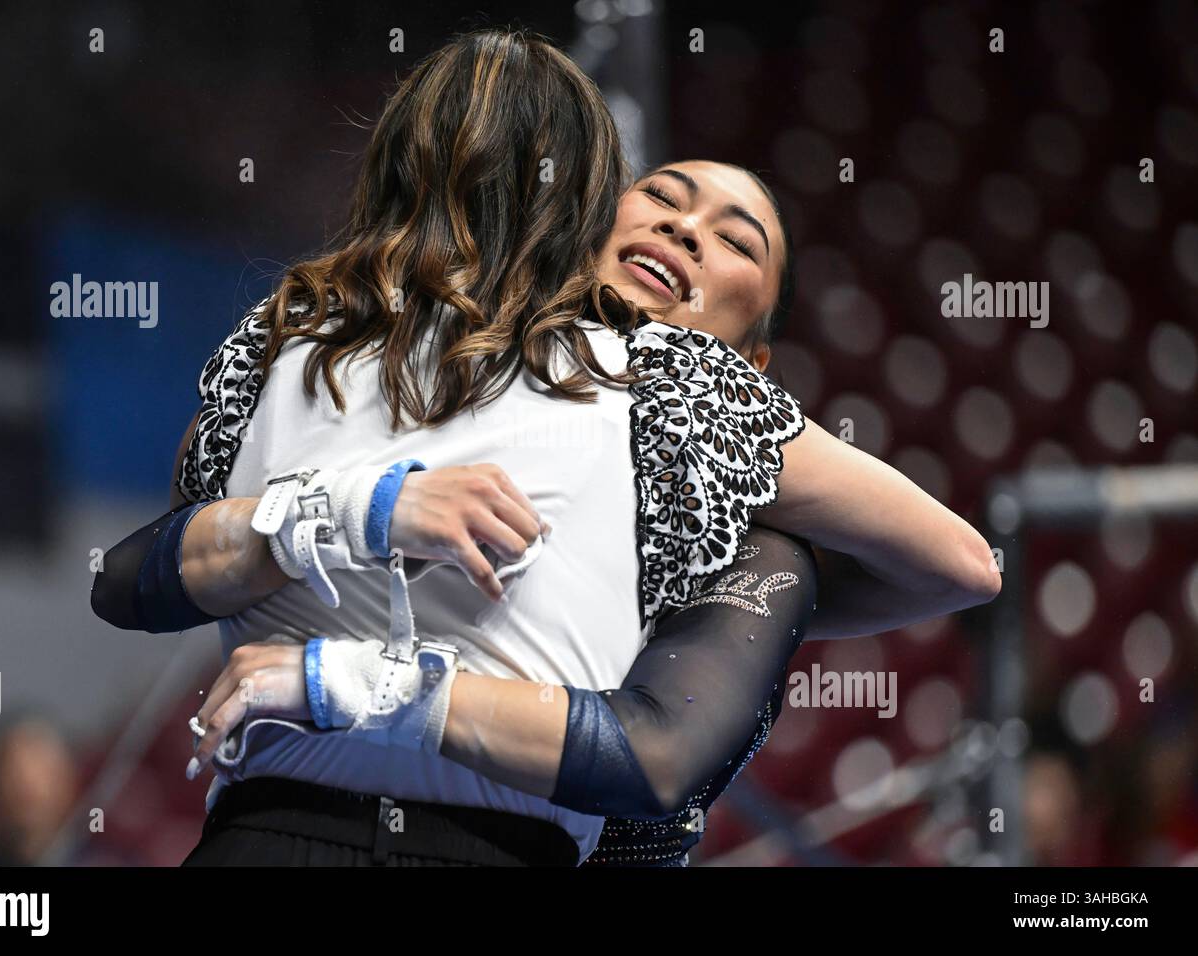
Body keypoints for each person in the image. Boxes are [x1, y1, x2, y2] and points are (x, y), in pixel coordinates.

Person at [93, 32, 1000, 866]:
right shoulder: (331, 334)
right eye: (662, 199)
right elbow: (133, 574)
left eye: (732, 240)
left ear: (755, 367)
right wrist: (351, 511)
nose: (686, 228)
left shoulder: (690, 406)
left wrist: (687, 572)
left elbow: (961, 565)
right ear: (588, 221)